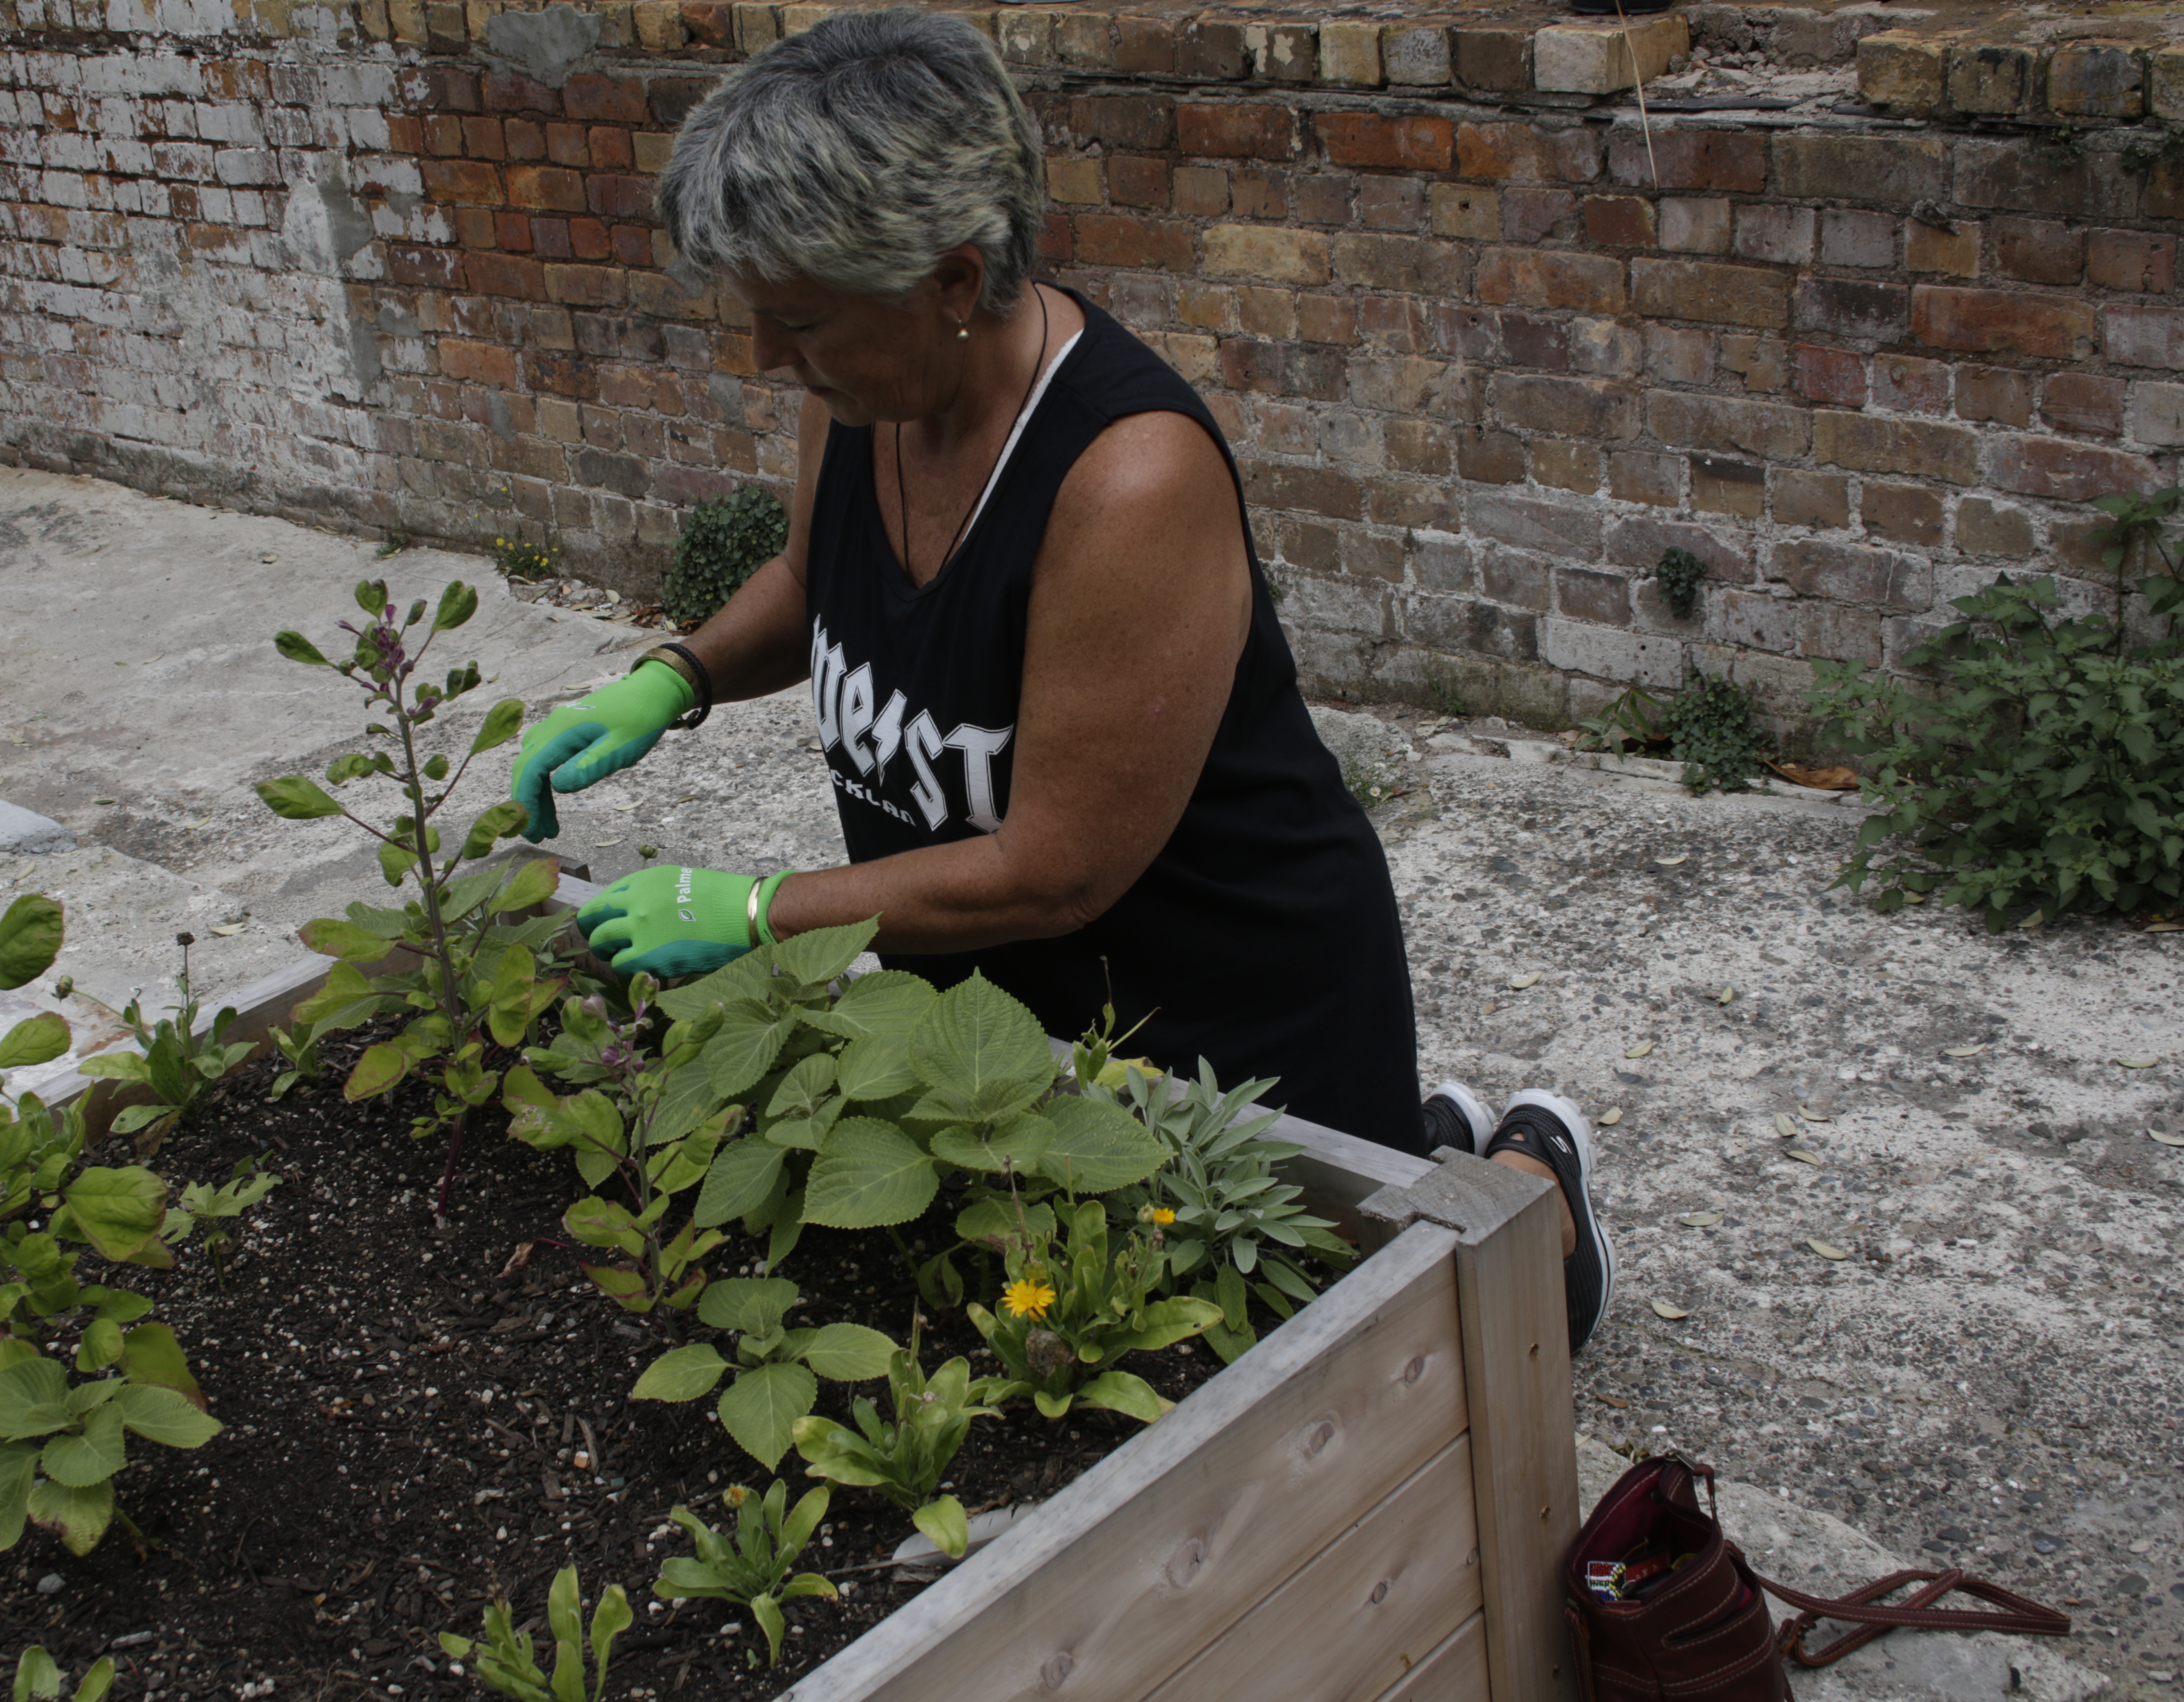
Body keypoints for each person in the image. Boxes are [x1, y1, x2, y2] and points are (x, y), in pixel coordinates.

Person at [504, 10, 1613, 1350]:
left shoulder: (1126, 477)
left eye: (794, 321)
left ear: (952, 282)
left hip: (1226, 1017)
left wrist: (754, 910)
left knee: (1376, 1355)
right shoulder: (863, 395)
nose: (764, 358)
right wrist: (672, 678)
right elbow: (813, 577)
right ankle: (1426, 1134)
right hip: (1001, 1022)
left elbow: (1058, 870)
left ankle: (1538, 1183)